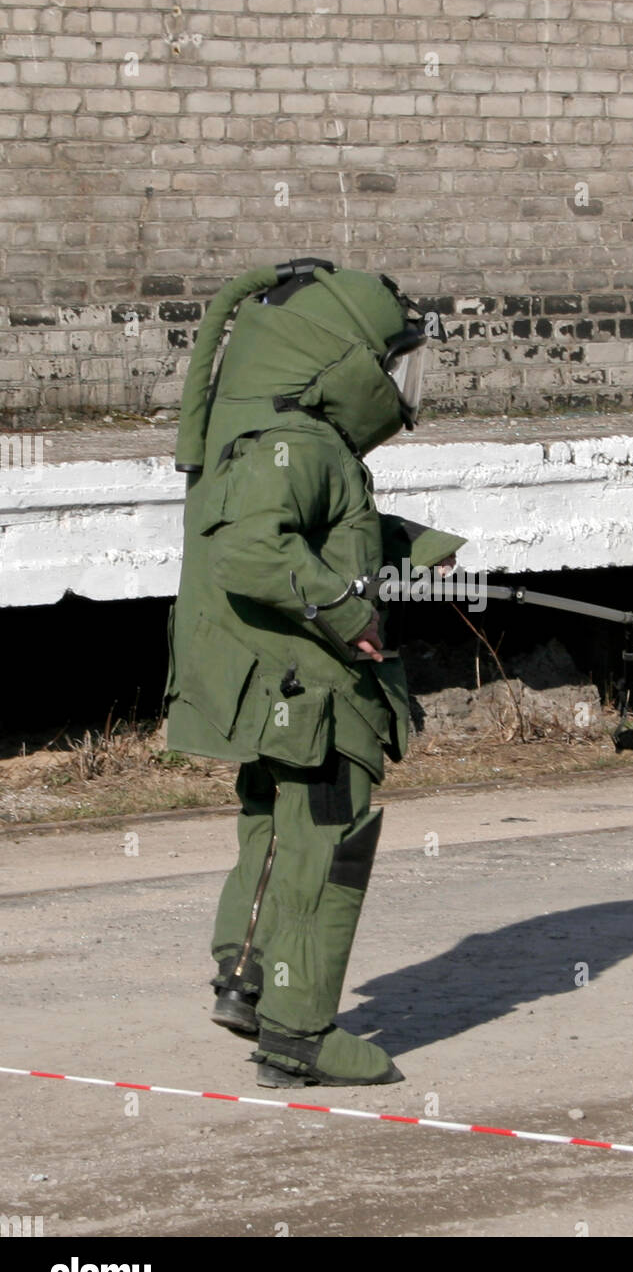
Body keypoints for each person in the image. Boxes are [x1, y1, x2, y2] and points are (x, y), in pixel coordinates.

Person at [163, 260, 465, 1088]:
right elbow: (256, 551)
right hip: (314, 690)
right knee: (330, 845)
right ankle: (299, 1033)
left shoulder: (271, 432)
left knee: (271, 826)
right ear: (340, 363)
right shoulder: (299, 443)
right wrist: (351, 614)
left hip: (268, 687)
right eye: (393, 366)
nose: (404, 388)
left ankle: (249, 975)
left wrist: (421, 552)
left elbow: (325, 530)